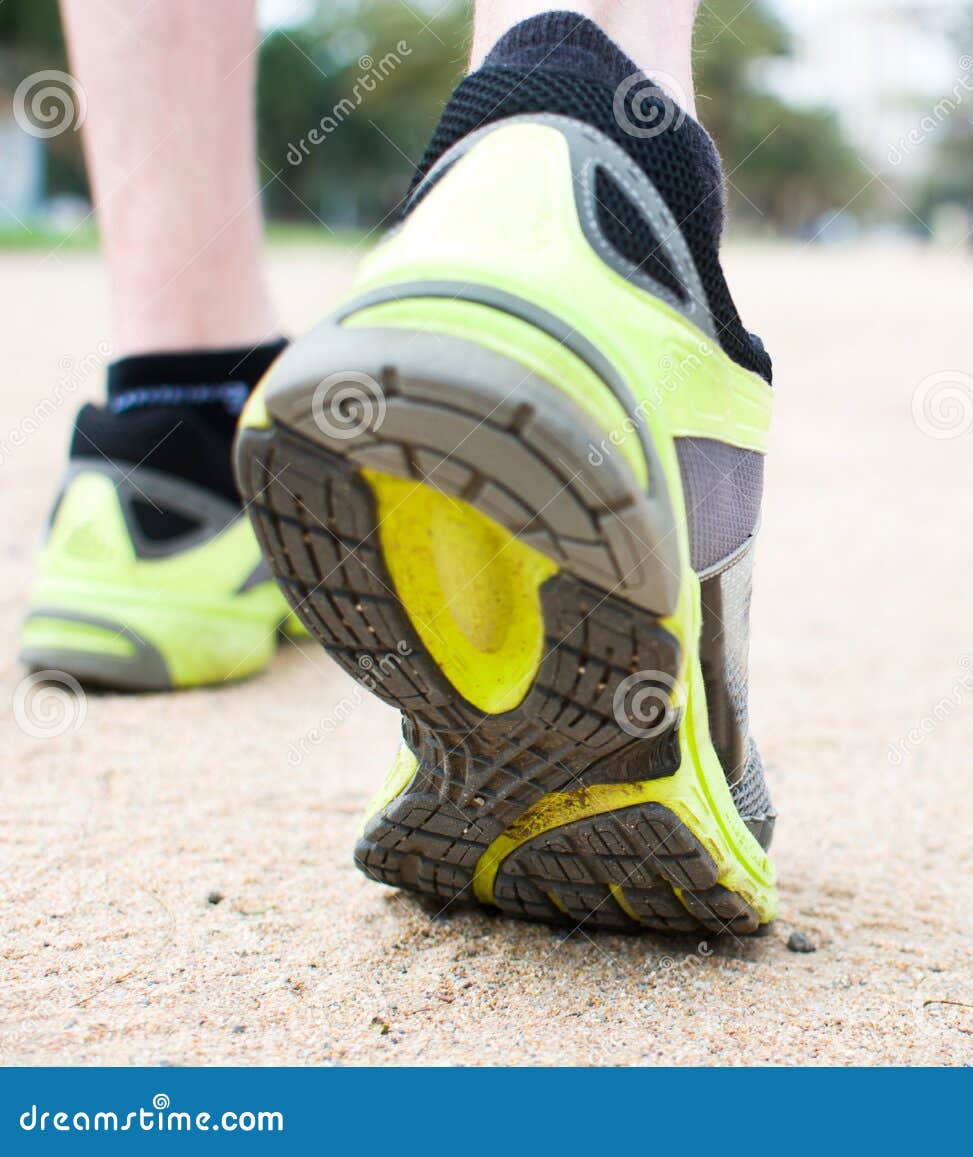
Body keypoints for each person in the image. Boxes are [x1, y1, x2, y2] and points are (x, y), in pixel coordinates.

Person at [21, 1, 777, 937]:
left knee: (190, 379)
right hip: (601, 200)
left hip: (148, 429)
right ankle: (587, 138)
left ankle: (166, 435)